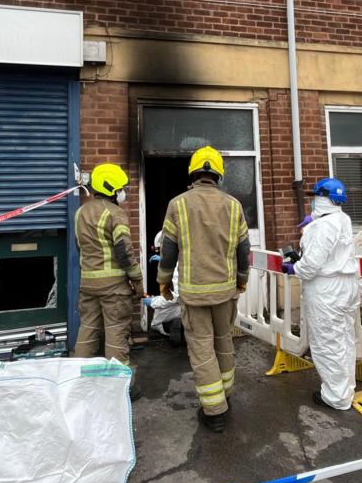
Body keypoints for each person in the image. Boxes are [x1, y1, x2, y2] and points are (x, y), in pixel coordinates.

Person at [157, 146, 251, 432]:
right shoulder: (233, 205)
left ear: (194, 173)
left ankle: (214, 410)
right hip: (225, 292)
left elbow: (169, 249)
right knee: (223, 340)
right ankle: (226, 394)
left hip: (195, 293)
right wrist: (242, 278)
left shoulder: (178, 204)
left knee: (201, 348)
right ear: (218, 174)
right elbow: (243, 247)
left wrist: (163, 279)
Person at [286, 178, 360, 411]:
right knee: (344, 340)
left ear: (320, 197)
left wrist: (293, 268)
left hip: (326, 290)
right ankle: (345, 389)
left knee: (328, 342)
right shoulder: (342, 219)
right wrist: (312, 226)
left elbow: (311, 265)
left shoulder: (323, 226)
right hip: (345, 286)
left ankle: (335, 397)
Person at [74, 163, 144, 399]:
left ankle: (79, 382)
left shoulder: (80, 213)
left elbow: (79, 248)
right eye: (122, 187)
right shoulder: (115, 214)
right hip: (114, 288)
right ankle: (119, 389)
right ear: (111, 187)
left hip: (88, 284)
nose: (124, 192)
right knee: (116, 334)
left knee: (88, 331)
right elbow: (124, 252)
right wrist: (137, 279)